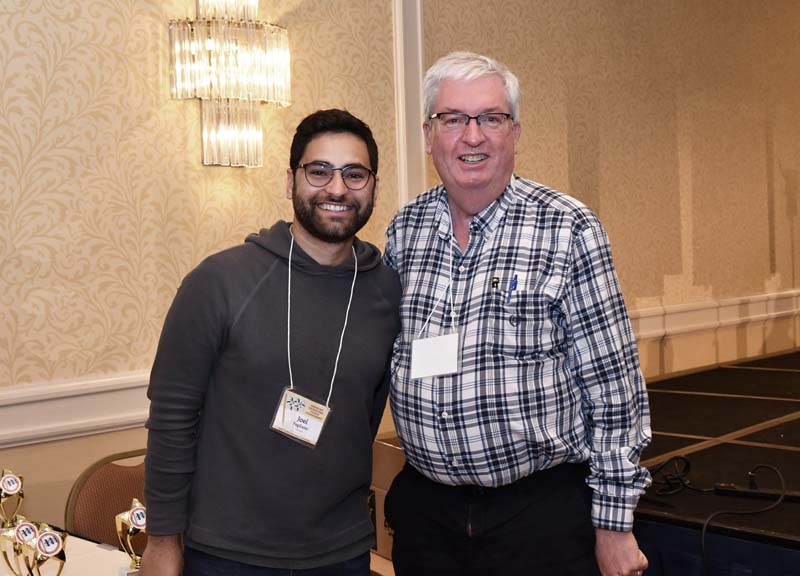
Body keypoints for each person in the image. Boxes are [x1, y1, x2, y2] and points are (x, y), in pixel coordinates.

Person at [384, 51, 652, 576]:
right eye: (453, 119)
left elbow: (615, 388)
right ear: (429, 134)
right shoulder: (404, 231)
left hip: (538, 520)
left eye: (490, 118)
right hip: (427, 520)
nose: (473, 136)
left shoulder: (569, 228)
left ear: (515, 132)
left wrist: (614, 526)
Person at [141, 109, 401, 576]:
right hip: (226, 554)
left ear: (374, 187)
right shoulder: (220, 281)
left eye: (354, 174)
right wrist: (162, 542)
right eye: (319, 171)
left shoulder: (387, 292)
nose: (337, 189)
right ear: (290, 181)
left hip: (341, 554)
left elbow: (368, 412)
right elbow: (171, 417)